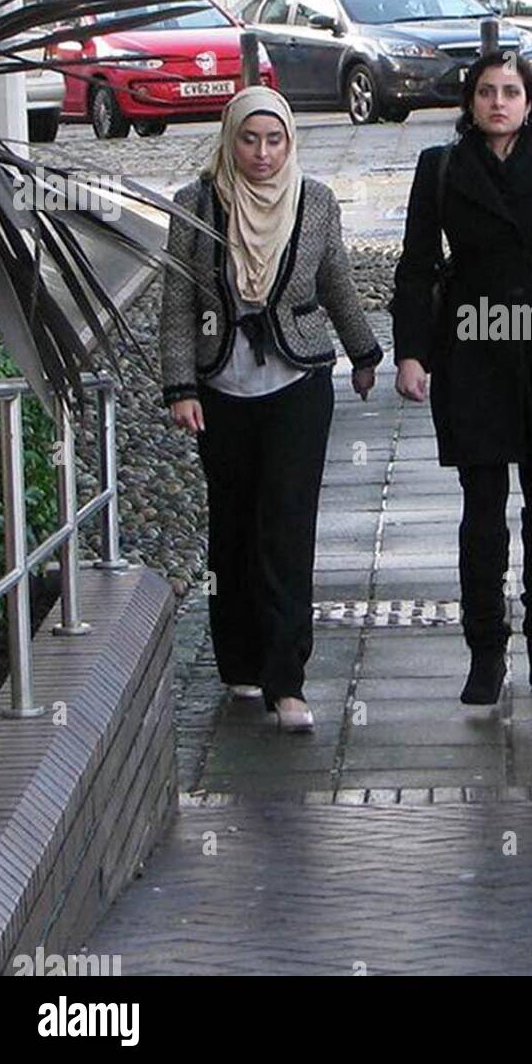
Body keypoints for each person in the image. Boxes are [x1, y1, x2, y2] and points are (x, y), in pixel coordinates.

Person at [391, 51, 532, 705]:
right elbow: (415, 267)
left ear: (530, 101)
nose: (498, 102)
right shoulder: (441, 169)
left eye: (511, 92)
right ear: (470, 102)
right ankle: (486, 649)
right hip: (473, 351)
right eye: (487, 91)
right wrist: (412, 353)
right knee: (482, 510)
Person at [160, 86, 382, 732]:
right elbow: (176, 304)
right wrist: (180, 388)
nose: (261, 153)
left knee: (286, 529)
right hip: (220, 388)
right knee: (231, 530)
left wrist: (365, 352)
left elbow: (335, 277)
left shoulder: (314, 202)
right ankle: (241, 664)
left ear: (290, 142)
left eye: (274, 139)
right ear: (229, 142)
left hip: (297, 384)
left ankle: (288, 680)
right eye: (249, 140)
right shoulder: (195, 206)